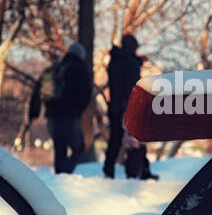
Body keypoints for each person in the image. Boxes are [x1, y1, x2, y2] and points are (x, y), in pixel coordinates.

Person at [26, 43, 91, 173]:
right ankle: (65, 173)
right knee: (79, 148)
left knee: (59, 148)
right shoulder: (80, 69)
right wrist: (79, 110)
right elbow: (86, 94)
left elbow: (38, 91)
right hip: (70, 116)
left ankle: (59, 176)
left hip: (52, 116)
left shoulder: (54, 69)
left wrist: (34, 113)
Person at [105, 33, 145, 178]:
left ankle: (108, 170)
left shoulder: (116, 59)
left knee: (115, 139)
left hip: (115, 105)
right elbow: (132, 85)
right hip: (127, 105)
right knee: (136, 137)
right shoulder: (129, 62)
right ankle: (138, 172)